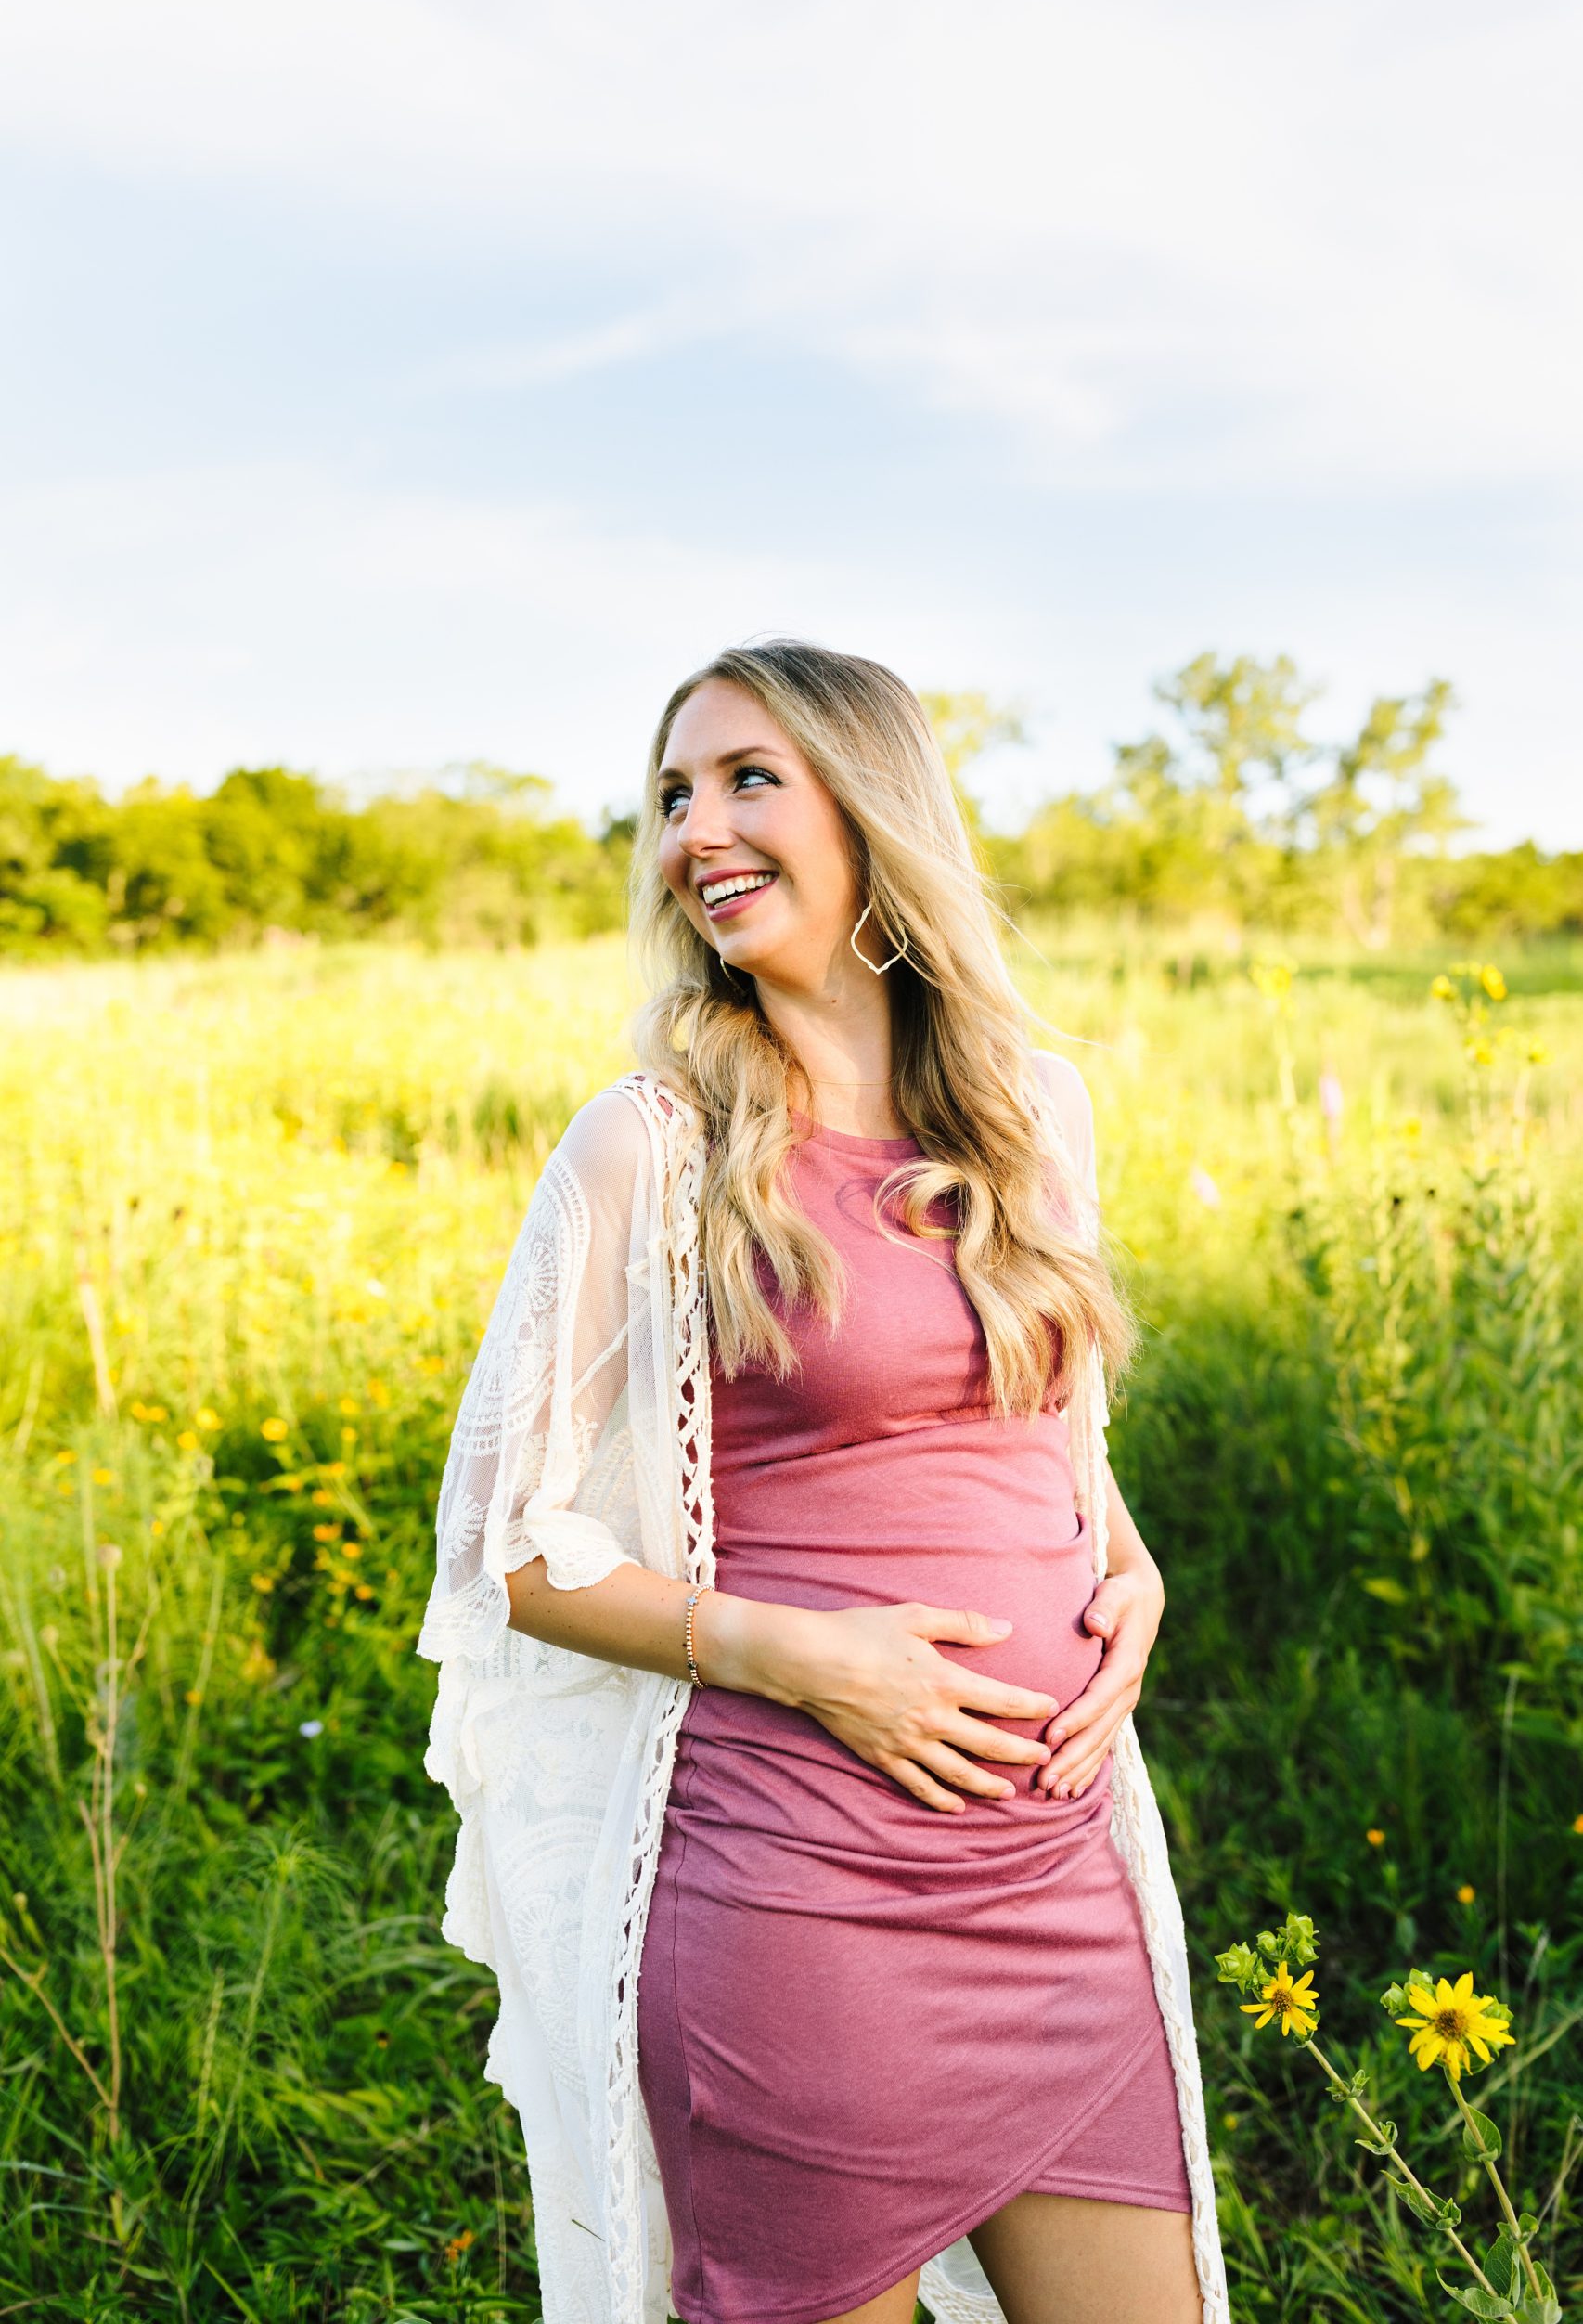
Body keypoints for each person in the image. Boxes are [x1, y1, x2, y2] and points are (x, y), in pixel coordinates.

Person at [417, 640, 1229, 2324]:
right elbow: (501, 1550)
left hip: (1056, 1883)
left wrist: (1129, 1563)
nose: (693, 831)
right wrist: (796, 1654)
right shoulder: (651, 1144)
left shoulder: (1032, 1109)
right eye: (669, 796)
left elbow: (1038, 1419)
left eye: (745, 779)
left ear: (870, 808)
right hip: (801, 1904)